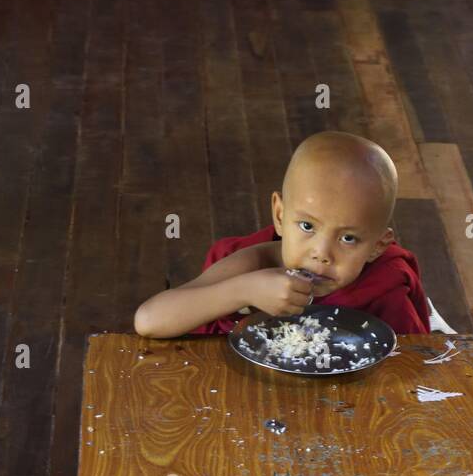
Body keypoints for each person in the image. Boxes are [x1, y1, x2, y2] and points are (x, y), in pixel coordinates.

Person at [134, 131, 432, 339]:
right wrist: (244, 290)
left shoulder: (387, 286)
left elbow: (409, 363)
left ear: (378, 246)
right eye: (307, 227)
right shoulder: (252, 262)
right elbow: (148, 321)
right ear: (279, 215)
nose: (322, 253)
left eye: (348, 239)